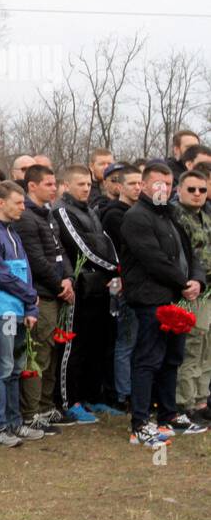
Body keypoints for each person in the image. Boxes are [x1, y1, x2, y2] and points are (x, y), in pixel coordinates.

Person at [118, 163, 209, 446]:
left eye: (167, 184)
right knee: (147, 360)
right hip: (149, 299)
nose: (163, 189)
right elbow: (153, 258)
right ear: (143, 186)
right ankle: (140, 423)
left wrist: (197, 281)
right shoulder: (136, 217)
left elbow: (192, 253)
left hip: (176, 297)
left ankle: (168, 415)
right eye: (157, 184)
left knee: (172, 358)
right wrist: (184, 282)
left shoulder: (171, 215)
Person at [0, 182, 43, 447]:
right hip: (1, 312)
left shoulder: (14, 234)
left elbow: (25, 272)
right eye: (18, 202)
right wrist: (30, 296)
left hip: (18, 312)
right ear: (1, 203)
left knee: (16, 369)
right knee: (2, 368)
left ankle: (16, 423)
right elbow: (0, 275)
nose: (23, 207)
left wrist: (30, 307)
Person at [54, 165, 115, 424]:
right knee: (73, 346)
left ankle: (92, 396)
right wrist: (114, 268)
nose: (86, 188)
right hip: (78, 288)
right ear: (66, 185)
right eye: (80, 184)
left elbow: (104, 241)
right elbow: (81, 246)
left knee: (96, 344)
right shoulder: (62, 211)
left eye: (89, 184)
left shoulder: (91, 211)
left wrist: (114, 268)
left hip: (99, 288)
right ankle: (69, 401)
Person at [14, 165, 72, 434]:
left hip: (58, 293)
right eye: (48, 184)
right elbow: (35, 259)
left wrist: (69, 277)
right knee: (38, 355)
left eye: (54, 183)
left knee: (53, 352)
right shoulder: (26, 217)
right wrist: (58, 283)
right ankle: (31, 412)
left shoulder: (47, 214)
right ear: (32, 186)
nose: (54, 188)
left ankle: (47, 406)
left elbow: (60, 250)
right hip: (42, 296)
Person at [98, 164, 142, 415]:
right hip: (120, 281)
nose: (137, 188)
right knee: (125, 340)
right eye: (132, 183)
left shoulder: (142, 211)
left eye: (140, 183)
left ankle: (132, 390)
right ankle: (122, 394)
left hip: (139, 282)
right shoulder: (115, 214)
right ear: (119, 186)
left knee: (137, 340)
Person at [173, 169, 211, 420]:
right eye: (192, 189)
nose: (197, 194)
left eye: (202, 190)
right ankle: (184, 402)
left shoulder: (205, 216)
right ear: (179, 190)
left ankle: (200, 400)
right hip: (190, 289)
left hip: (208, 289)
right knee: (192, 346)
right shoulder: (175, 216)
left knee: (206, 346)